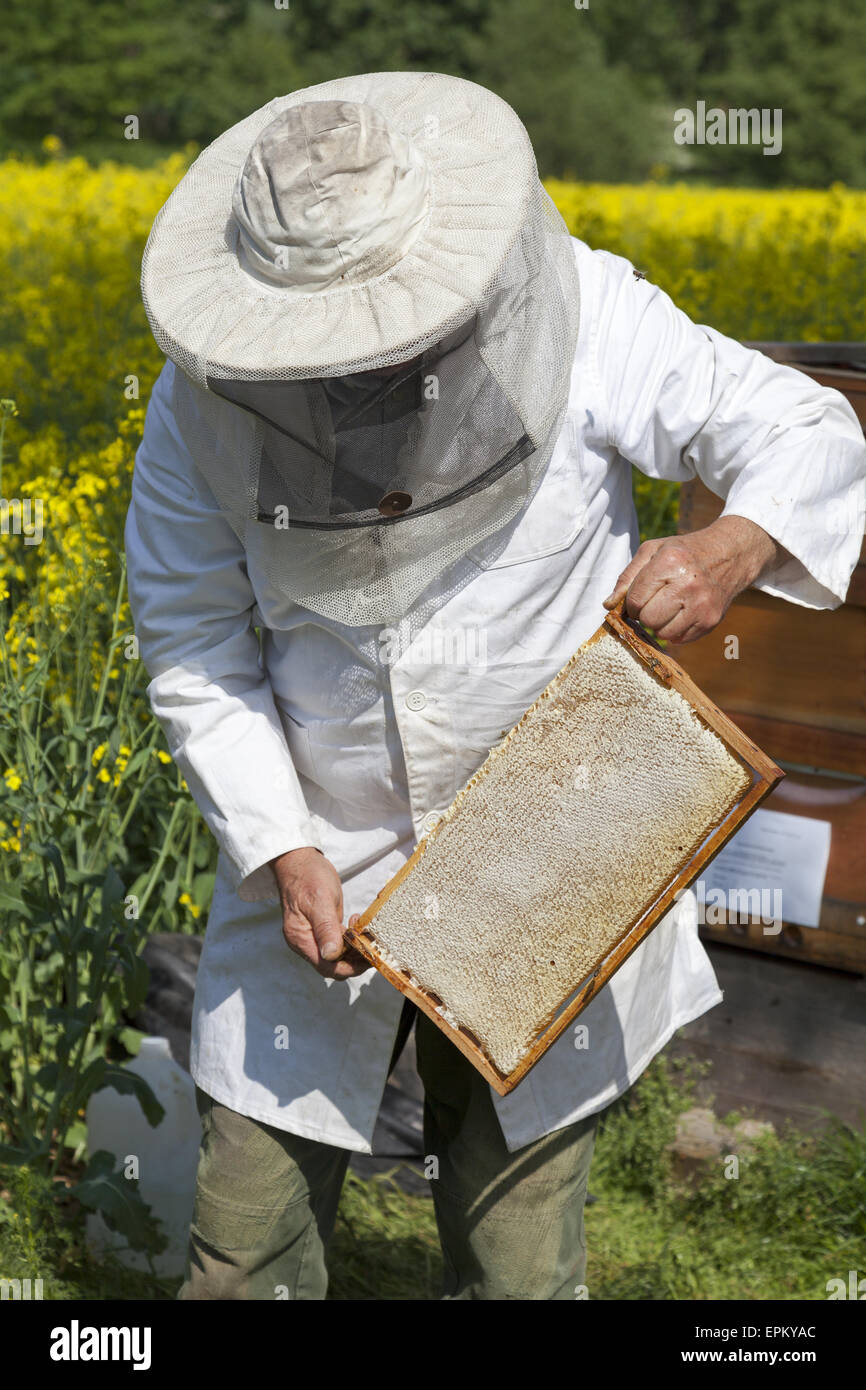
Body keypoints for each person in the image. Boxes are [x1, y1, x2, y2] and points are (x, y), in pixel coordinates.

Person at [124, 71, 866, 1300]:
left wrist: (725, 550)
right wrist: (273, 842)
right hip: (319, 849)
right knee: (241, 1240)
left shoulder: (587, 317)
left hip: (555, 842)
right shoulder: (196, 416)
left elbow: (810, 434)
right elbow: (194, 634)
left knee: (517, 1258)